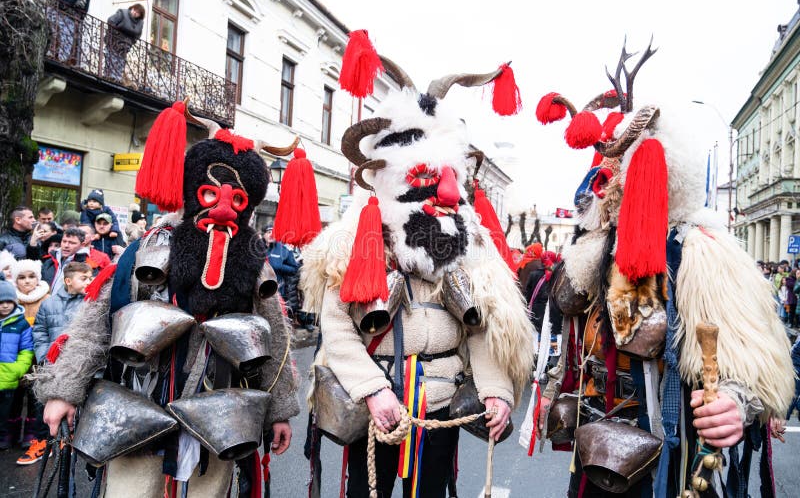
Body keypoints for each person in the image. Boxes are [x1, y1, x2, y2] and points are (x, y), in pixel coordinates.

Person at [534, 44, 794, 497]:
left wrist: (734, 402)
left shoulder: (701, 253)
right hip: (596, 444)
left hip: (669, 452)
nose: (606, 184)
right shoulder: (592, 250)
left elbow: (749, 359)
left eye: (617, 172)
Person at [33, 102, 302, 496]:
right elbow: (96, 324)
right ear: (193, 191)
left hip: (219, 418)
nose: (224, 209)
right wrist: (63, 392)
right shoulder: (144, 251)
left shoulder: (254, 264)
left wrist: (279, 412)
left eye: (238, 201)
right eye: (210, 194)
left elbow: (273, 343)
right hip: (137, 412)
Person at [302, 45, 532, 497]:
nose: (442, 191)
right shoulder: (356, 239)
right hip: (380, 407)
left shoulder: (470, 242)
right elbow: (337, 326)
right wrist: (373, 390)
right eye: (426, 175)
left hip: (443, 407)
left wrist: (494, 391)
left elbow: (484, 329)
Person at [22, 262, 91, 464]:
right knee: (42, 403)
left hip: (77, 365)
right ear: (68, 281)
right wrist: (45, 355)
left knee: (72, 402)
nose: (89, 281)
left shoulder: (90, 302)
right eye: (84, 278)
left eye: (90, 277)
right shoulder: (49, 303)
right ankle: (42, 442)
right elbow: (40, 331)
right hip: (51, 364)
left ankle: (66, 440)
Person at [11, 260, 50, 458]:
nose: (27, 281)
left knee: (35, 395)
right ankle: (11, 431)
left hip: (37, 356)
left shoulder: (46, 299)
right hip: (12, 356)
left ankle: (33, 433)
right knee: (14, 396)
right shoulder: (9, 300)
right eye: (22, 277)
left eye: (31, 276)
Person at [0, 279, 34, 450]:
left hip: (9, 377)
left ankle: (5, 437)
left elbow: (27, 349)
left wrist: (18, 369)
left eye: (9, 302)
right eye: (1, 302)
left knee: (6, 411)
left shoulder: (21, 324)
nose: (5, 306)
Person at [46, 0, 91, 64]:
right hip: (54, 9)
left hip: (68, 16)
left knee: (67, 39)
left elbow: (85, 10)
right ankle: (48, 52)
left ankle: (62, 60)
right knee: (49, 31)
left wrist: (78, 19)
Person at [105, 3, 145, 81]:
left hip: (125, 45)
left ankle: (117, 79)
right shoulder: (123, 13)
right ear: (132, 8)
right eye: (134, 10)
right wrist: (115, 34)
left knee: (121, 62)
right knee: (111, 58)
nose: (134, 13)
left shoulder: (140, 23)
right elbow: (110, 21)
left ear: (140, 15)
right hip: (114, 40)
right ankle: (109, 76)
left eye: (137, 13)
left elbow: (137, 36)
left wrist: (130, 42)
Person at [41, 228, 89, 294]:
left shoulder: (87, 265)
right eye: (64, 241)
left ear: (82, 245)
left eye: (72, 243)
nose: (66, 246)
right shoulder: (49, 261)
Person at [265, 227, 299, 308]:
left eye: (273, 232)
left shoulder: (284, 250)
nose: (271, 235)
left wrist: (281, 266)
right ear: (264, 235)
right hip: (260, 290)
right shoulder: (257, 247)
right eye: (268, 232)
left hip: (278, 291)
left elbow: (294, 269)